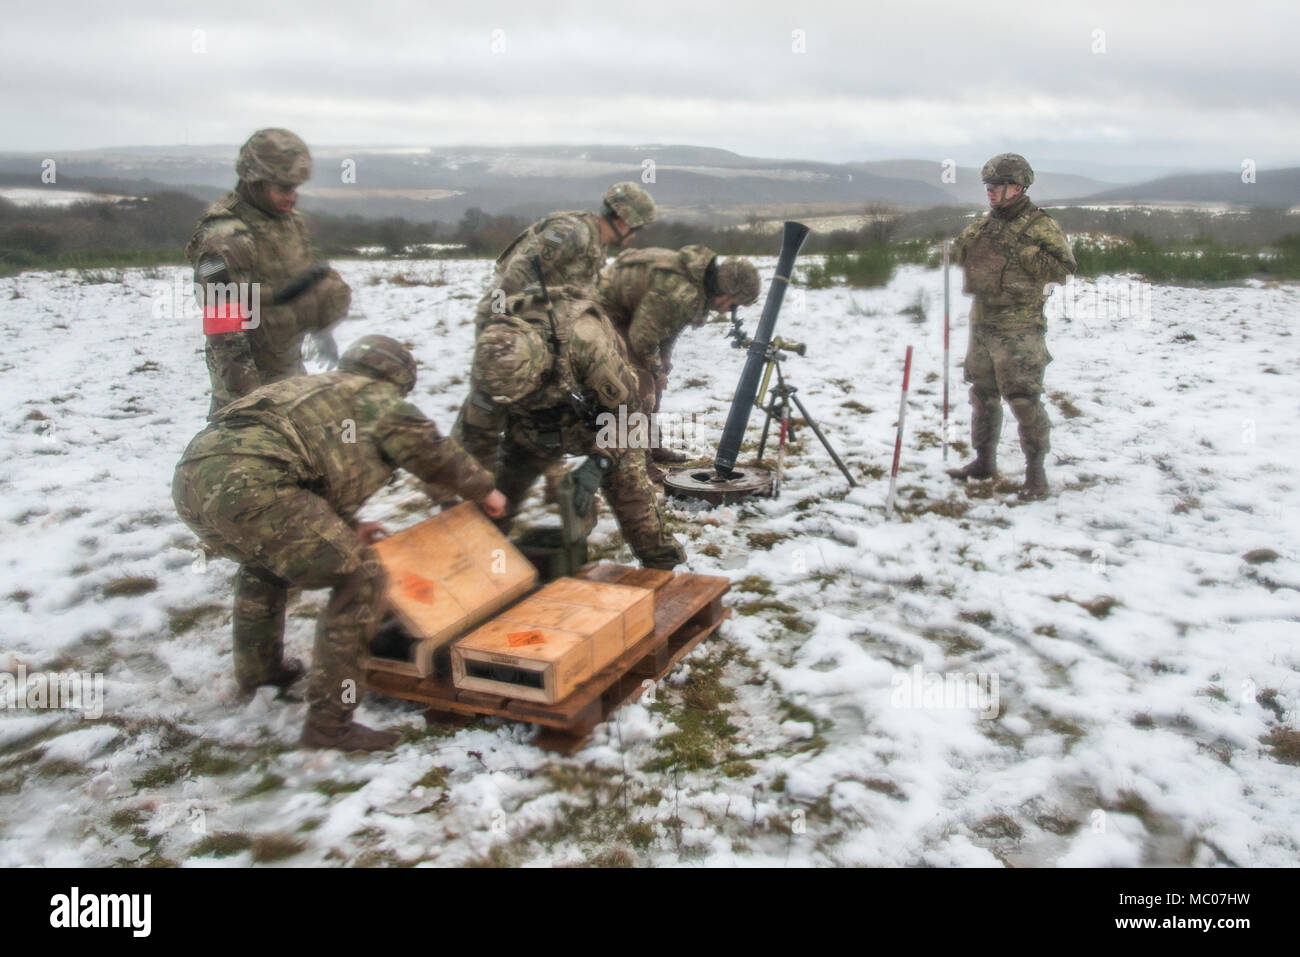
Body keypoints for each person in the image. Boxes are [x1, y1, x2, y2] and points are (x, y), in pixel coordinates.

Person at [172, 335, 507, 751]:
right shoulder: (376, 397)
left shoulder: (311, 390)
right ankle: (330, 725)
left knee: (267, 565)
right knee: (361, 579)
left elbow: (312, 469)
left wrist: (348, 526)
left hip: (193, 481)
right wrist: (485, 490)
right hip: (255, 485)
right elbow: (432, 452)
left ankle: (262, 674)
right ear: (397, 377)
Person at [452, 287, 685, 571]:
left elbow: (629, 415)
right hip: (529, 429)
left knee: (634, 501)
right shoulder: (490, 368)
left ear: (538, 364)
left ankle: (663, 566)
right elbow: (475, 440)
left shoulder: (585, 341)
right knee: (490, 503)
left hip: (601, 420)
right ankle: (477, 577)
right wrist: (482, 489)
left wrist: (596, 464)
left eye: (522, 390)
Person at [186, 128, 352, 418]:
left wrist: (322, 327)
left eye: (295, 188)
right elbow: (223, 325)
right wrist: (248, 403)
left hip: (289, 371)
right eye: (283, 188)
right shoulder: (224, 234)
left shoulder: (289, 223)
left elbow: (304, 282)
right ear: (256, 182)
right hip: (247, 383)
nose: (292, 197)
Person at [947, 153, 1077, 499]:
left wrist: (1021, 252)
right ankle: (984, 461)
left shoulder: (1039, 225)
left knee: (1022, 399)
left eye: (997, 186)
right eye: (987, 186)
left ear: (1018, 187)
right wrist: (957, 250)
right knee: (982, 395)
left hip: (1019, 327)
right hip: (983, 323)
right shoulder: (985, 224)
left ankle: (1036, 474)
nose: (990, 191)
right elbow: (959, 254)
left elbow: (1063, 268)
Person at [597, 245, 760, 478]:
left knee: (655, 379)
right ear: (725, 293)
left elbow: (668, 326)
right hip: (605, 313)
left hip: (635, 317)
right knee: (639, 384)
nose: (729, 312)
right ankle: (637, 462)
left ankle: (653, 446)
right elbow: (641, 337)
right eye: (733, 305)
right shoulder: (682, 292)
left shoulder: (699, 286)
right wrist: (655, 369)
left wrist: (663, 361)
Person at [472, 182, 656, 331]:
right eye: (636, 230)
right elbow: (520, 271)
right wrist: (499, 321)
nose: (634, 237)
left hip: (546, 317)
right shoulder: (569, 232)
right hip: (508, 319)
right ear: (625, 223)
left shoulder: (597, 240)